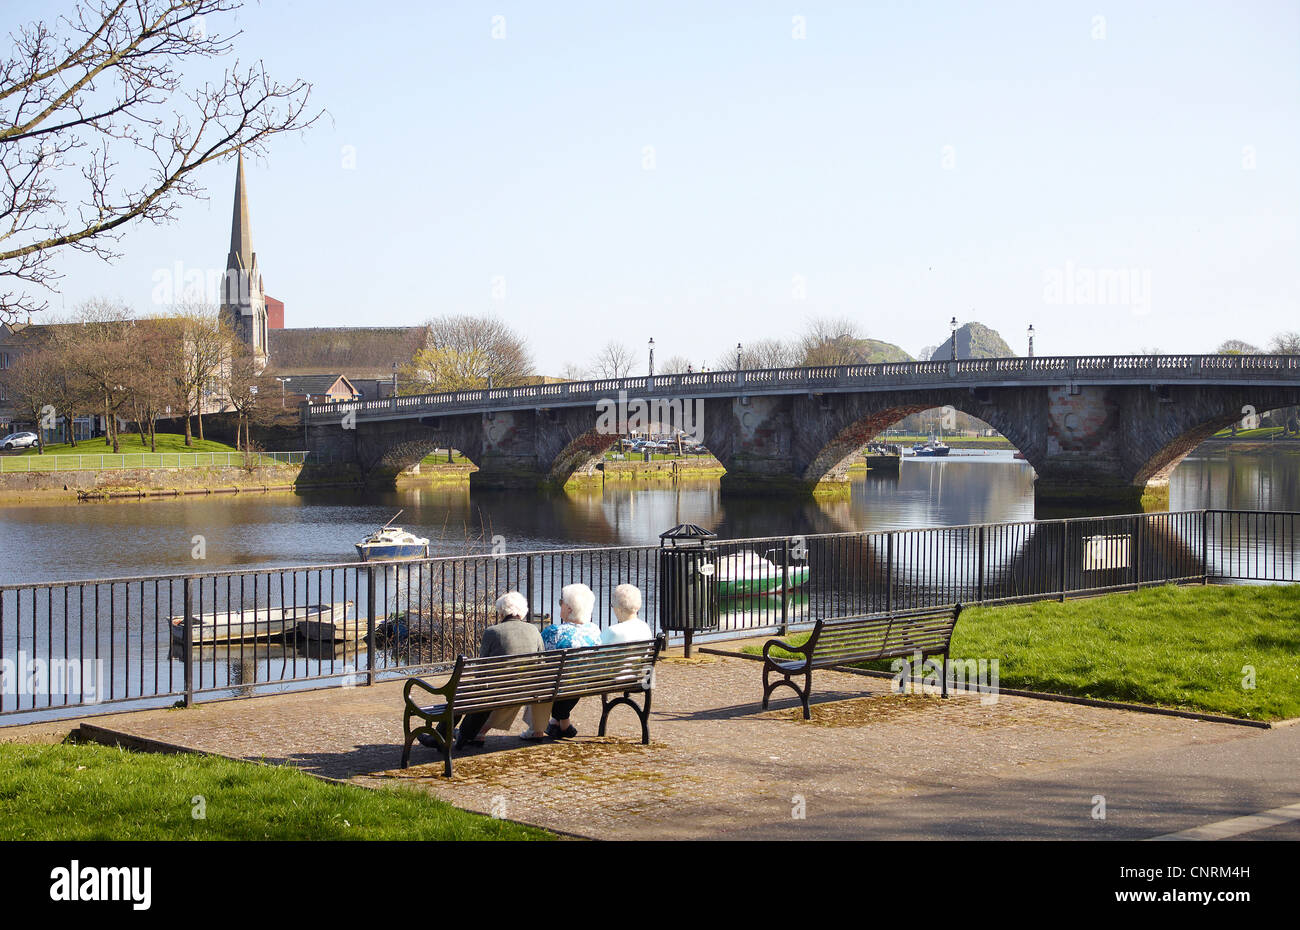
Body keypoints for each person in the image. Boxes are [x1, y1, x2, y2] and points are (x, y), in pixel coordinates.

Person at [419, 590, 549, 751]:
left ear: (501, 611)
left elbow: (481, 670)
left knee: (460, 695)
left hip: (500, 692)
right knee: (472, 695)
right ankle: (463, 735)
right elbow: (542, 663)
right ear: (523, 611)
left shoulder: (493, 632)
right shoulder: (534, 630)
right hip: (527, 690)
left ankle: (441, 736)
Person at [539, 583, 602, 739]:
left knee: (551, 678)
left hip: (556, 685)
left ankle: (554, 723)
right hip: (582, 684)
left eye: (561, 602)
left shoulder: (553, 632)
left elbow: (538, 659)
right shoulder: (594, 630)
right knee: (572, 675)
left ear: (569, 609)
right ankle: (560, 723)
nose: (560, 605)